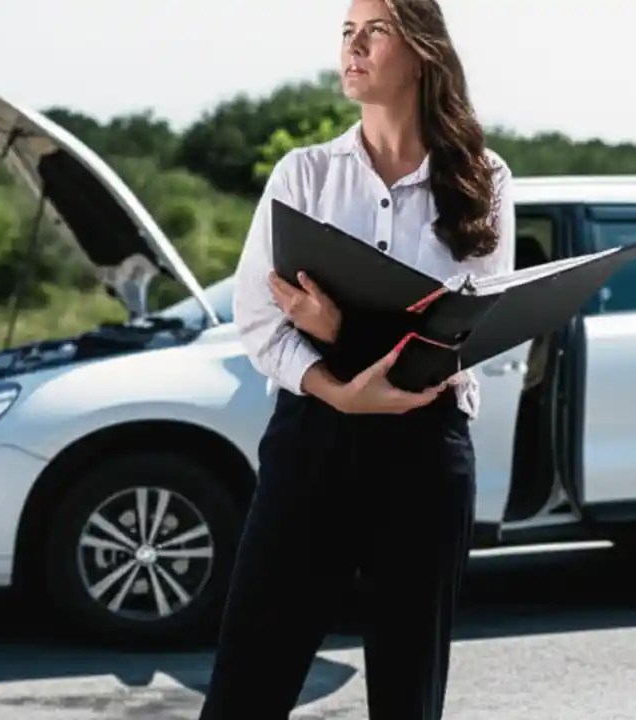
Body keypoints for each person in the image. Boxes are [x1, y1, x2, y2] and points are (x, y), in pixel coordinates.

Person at [196, 0, 514, 717]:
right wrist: (336, 387)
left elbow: (466, 330)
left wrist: (340, 331)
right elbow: (258, 318)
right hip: (313, 440)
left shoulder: (484, 177)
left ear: (423, 50)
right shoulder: (304, 174)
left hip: (426, 449)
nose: (353, 46)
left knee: (408, 694)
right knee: (247, 686)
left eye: (375, 31)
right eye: (347, 32)